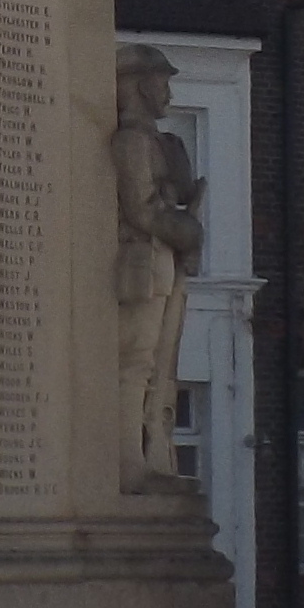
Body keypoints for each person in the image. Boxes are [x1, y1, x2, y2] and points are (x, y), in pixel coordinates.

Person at [113, 47, 206, 490]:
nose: (167, 90)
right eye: (161, 80)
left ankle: (152, 456)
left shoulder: (157, 142)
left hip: (160, 262)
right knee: (135, 362)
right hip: (142, 262)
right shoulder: (131, 140)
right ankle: (130, 463)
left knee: (156, 365)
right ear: (138, 84)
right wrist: (188, 230)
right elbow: (142, 211)